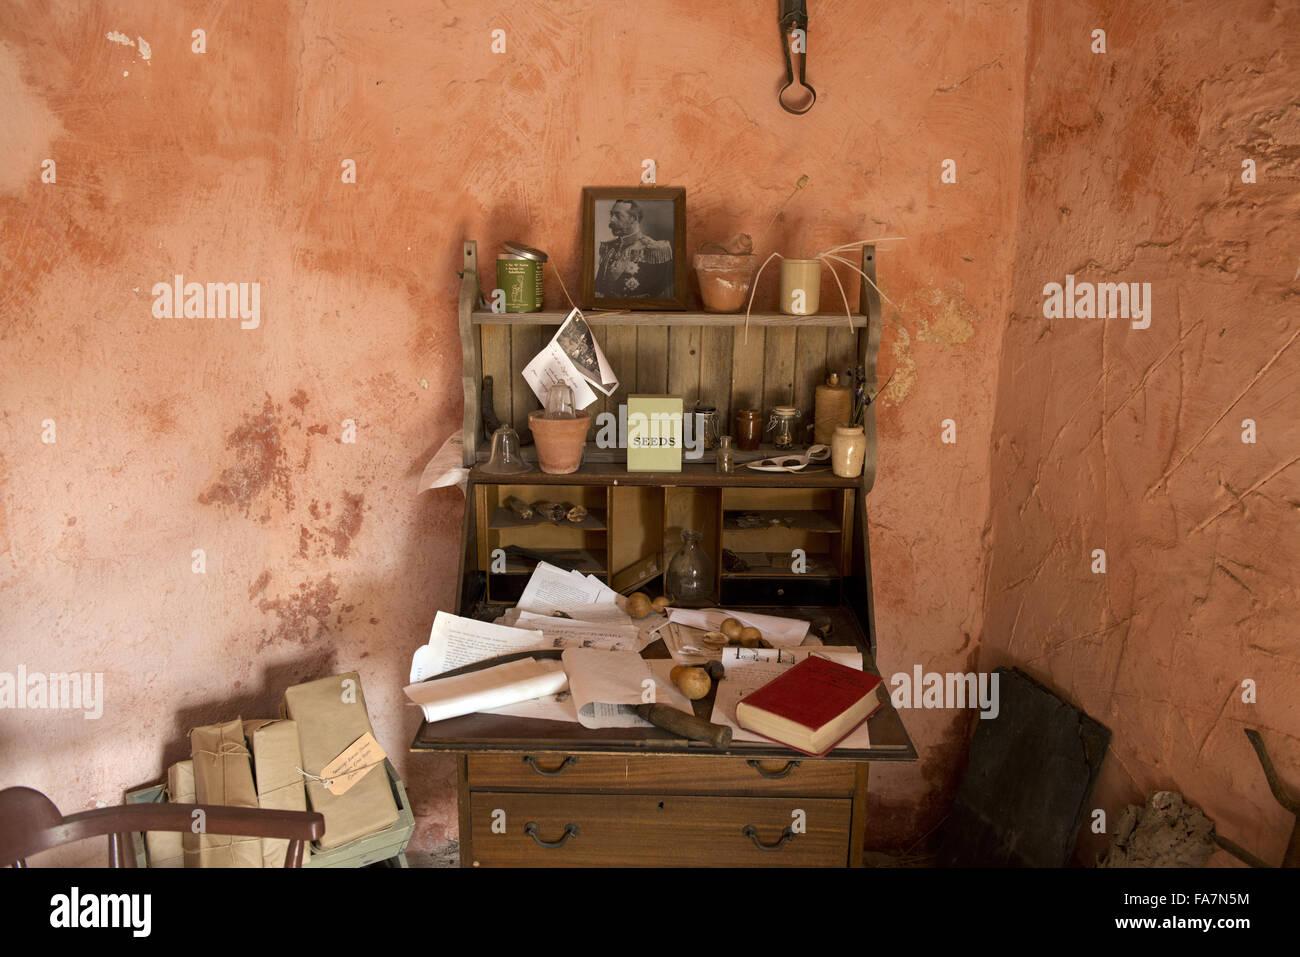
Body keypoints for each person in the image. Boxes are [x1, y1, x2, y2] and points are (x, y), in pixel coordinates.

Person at [594, 200, 673, 298]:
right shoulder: (609, 248)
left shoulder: (655, 250)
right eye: (611, 215)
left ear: (633, 219)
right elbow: (598, 287)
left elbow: (662, 294)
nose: (611, 220)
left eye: (618, 215)